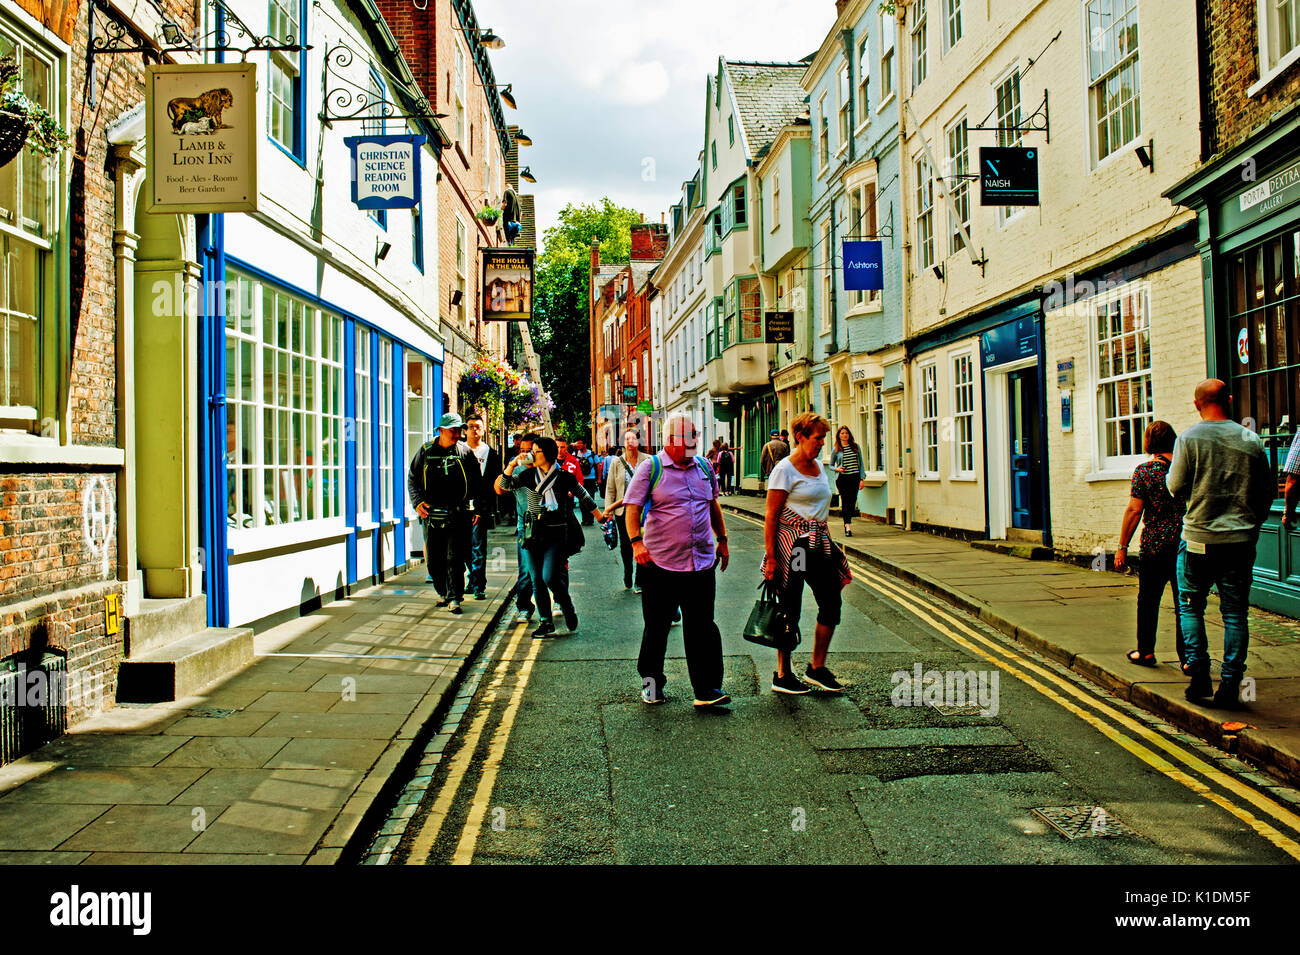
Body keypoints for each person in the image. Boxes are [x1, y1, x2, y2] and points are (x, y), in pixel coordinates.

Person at [1166, 379, 1275, 708]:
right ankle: (1230, 685)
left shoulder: (1187, 438)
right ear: (1228, 400)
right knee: (1235, 614)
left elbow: (1174, 485)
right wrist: (1250, 525)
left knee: (1190, 607)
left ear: (1197, 404)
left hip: (1198, 539)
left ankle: (1199, 673)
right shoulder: (1250, 438)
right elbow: (1266, 492)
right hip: (1239, 541)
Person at [624, 412, 730, 707]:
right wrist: (636, 543)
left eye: (696, 434)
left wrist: (722, 540)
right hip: (660, 564)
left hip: (701, 562)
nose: (696, 441)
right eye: (690, 436)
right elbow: (632, 508)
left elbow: (713, 504)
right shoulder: (651, 468)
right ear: (671, 441)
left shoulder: (705, 467)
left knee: (702, 626)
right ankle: (651, 684)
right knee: (656, 628)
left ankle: (706, 689)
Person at [763, 412, 852, 695]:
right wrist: (771, 557)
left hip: (819, 543)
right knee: (790, 607)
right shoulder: (784, 470)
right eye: (817, 438)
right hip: (794, 546)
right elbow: (771, 515)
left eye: (824, 438)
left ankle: (816, 667)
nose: (822, 443)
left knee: (831, 602)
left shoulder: (819, 467)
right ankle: (782, 674)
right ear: (800, 437)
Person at [497, 436, 605, 637]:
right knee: (537, 579)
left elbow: (584, 496)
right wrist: (512, 463)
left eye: (535, 451)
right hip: (533, 534)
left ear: (546, 454)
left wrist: (599, 516)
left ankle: (566, 603)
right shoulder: (528, 475)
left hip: (556, 534)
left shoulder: (564, 476)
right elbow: (504, 486)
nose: (531, 455)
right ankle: (546, 622)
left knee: (549, 576)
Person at [1115, 421, 1186, 669]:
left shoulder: (1144, 472)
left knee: (1148, 601)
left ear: (1149, 443)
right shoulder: (1186, 468)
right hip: (1184, 545)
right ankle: (1188, 660)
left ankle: (1145, 652)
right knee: (1184, 604)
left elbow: (1135, 511)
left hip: (1154, 547)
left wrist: (1122, 546)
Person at [409, 412, 484, 615]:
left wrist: (477, 507)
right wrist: (417, 503)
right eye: (453, 430)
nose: (457, 434)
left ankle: (454, 597)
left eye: (459, 430)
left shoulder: (465, 452)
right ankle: (443, 592)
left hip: (458, 513)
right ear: (441, 431)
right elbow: (413, 479)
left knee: (454, 557)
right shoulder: (425, 451)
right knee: (434, 559)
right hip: (431, 514)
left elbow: (477, 483)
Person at [495, 432, 539, 625]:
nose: (526, 455)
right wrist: (511, 465)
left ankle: (559, 601)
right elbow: (499, 488)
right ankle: (524, 607)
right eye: (522, 451)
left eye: (529, 451)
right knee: (525, 570)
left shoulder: (548, 469)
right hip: (526, 527)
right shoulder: (518, 471)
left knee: (551, 570)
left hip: (549, 526)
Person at [604, 430, 648, 593]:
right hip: (622, 510)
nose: (630, 441)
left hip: (644, 510)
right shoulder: (616, 462)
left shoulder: (648, 460)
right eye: (627, 438)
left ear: (638, 441)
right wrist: (608, 511)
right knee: (626, 544)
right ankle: (628, 572)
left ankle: (639, 580)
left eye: (633, 438)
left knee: (643, 542)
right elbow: (610, 488)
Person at [464, 414, 501, 600]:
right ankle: (472, 579)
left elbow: (496, 482)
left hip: (480, 508)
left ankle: (479, 585)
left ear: (483, 429)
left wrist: (486, 507)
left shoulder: (491, 453)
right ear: (465, 430)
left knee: (478, 547)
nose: (474, 430)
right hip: (461, 508)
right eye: (471, 426)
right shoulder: (459, 451)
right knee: (463, 549)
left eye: (478, 426)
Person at [830, 425, 867, 536]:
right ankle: (847, 526)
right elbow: (831, 465)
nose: (844, 435)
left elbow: (861, 463)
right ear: (839, 436)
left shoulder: (855, 447)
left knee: (852, 502)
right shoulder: (836, 449)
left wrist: (862, 478)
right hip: (843, 478)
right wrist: (837, 469)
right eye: (842, 433)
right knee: (845, 501)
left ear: (849, 435)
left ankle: (848, 520)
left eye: (846, 433)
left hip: (854, 477)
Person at [574, 439, 599, 525]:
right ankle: (584, 519)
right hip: (580, 480)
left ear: (585, 444)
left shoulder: (592, 454)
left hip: (590, 479)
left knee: (590, 499)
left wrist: (599, 478)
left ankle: (590, 519)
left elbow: (598, 466)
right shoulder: (575, 454)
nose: (578, 445)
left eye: (580, 443)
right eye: (577, 443)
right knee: (581, 500)